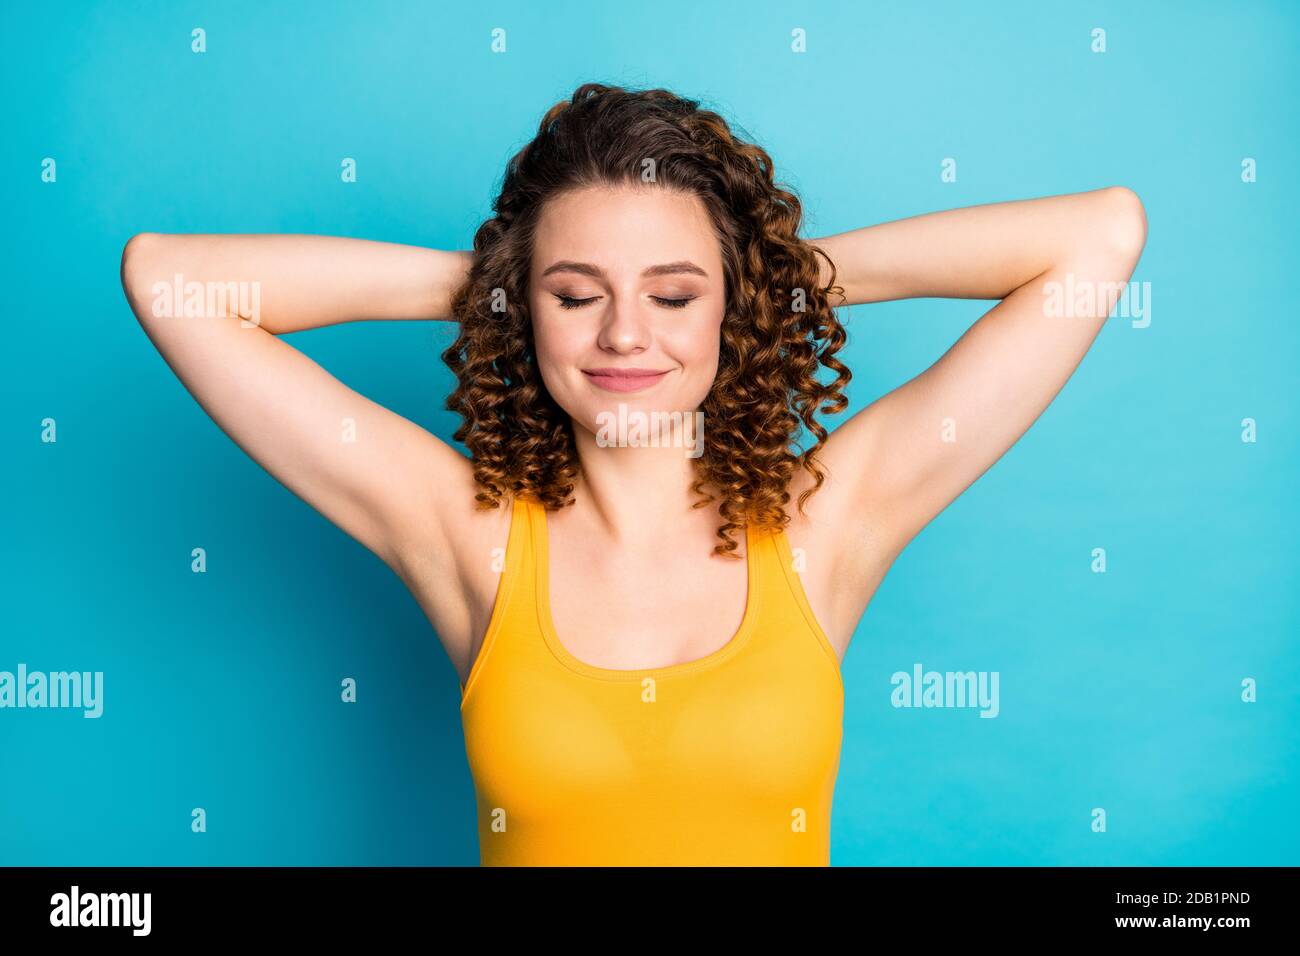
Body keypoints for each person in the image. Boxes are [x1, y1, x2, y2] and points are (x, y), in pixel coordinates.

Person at [119, 82, 1147, 865]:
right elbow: (172, 282)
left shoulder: (826, 521)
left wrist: (768, 270)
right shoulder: (463, 532)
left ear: (727, 311)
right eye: (575, 296)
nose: (622, 333)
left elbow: (1095, 237)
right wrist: (496, 281)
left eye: (672, 295)